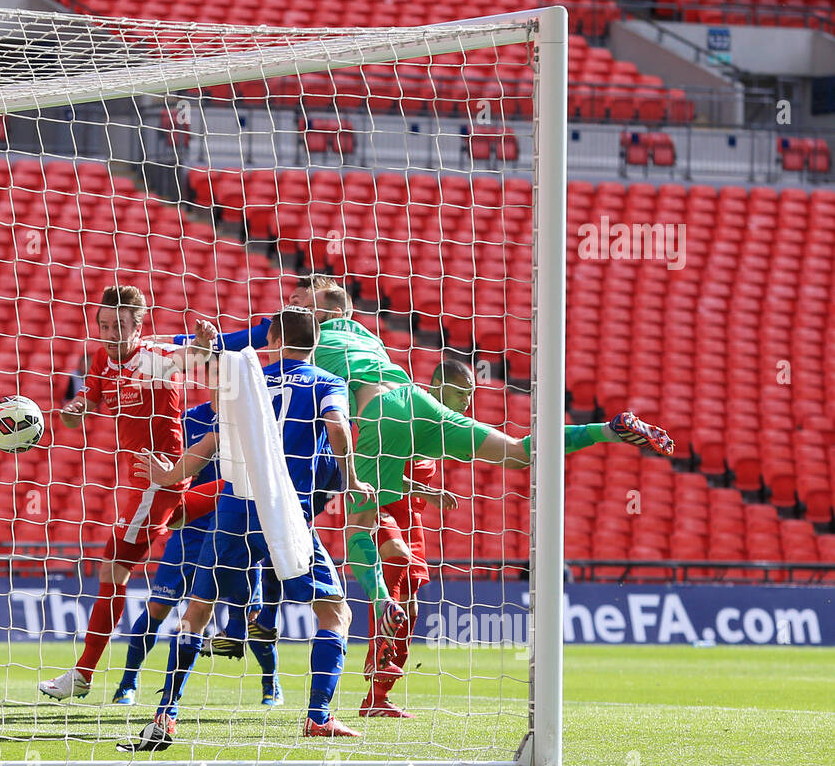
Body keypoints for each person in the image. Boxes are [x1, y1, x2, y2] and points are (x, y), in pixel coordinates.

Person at [286, 275, 675, 644]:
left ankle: (383, 602)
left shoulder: (312, 336)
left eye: (302, 302)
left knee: (358, 524)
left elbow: (271, 354)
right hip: (418, 400)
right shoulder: (367, 336)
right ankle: (609, 428)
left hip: (379, 413)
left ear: (330, 312)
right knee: (520, 454)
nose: (293, 308)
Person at [120, 307, 375, 751]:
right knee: (335, 613)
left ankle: (166, 715)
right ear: (315, 344)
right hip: (285, 510)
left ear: (272, 338)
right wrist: (350, 479)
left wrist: (169, 475)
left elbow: (212, 440)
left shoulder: (247, 382)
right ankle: (317, 716)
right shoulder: (327, 382)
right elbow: (337, 426)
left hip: (237, 507)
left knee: (196, 611)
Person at [40, 285, 217, 700]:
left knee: (111, 572)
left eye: (118, 325)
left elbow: (187, 357)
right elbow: (84, 406)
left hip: (156, 478)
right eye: (103, 324)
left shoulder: (153, 357)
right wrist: (73, 412)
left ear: (137, 326)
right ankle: (254, 492)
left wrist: (203, 345)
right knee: (224, 501)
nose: (109, 332)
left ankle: (83, 674)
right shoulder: (101, 358)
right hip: (142, 481)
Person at [360, 358, 473, 718]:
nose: (466, 403)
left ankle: (378, 697)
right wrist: (432, 491)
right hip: (381, 508)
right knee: (396, 561)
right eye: (460, 394)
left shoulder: (440, 427)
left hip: (414, 519)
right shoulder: (405, 414)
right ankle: (375, 652)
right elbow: (381, 467)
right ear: (438, 386)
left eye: (470, 396)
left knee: (411, 606)